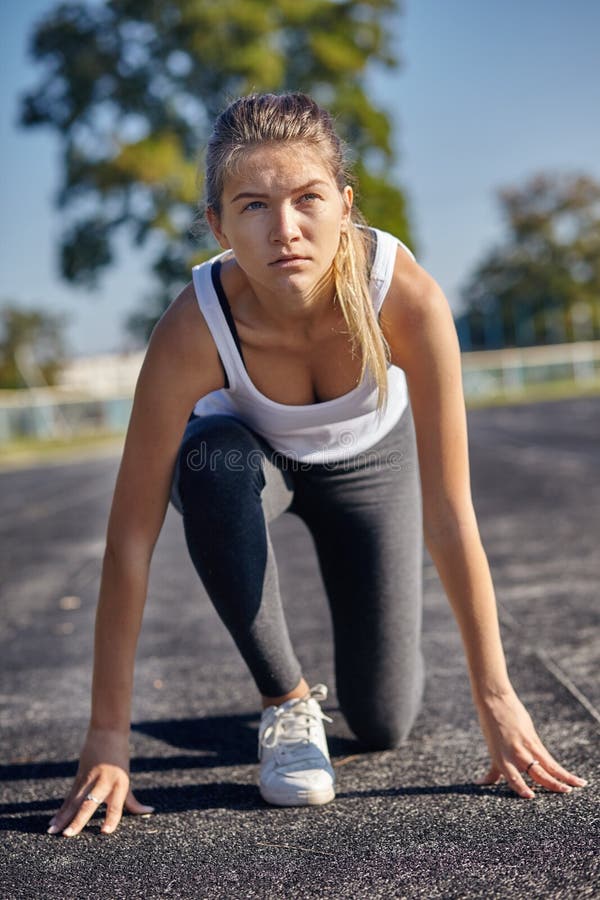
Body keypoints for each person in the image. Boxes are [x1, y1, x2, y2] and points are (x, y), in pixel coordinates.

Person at [47, 92, 585, 837]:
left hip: (371, 465)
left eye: (307, 199)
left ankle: (337, 701)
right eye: (254, 206)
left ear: (344, 204)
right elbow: (129, 540)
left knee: (383, 723)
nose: (286, 230)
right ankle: (286, 699)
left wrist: (496, 696)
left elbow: (450, 512)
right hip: (246, 465)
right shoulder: (191, 328)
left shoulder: (405, 296)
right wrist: (109, 734)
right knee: (213, 465)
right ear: (218, 226)